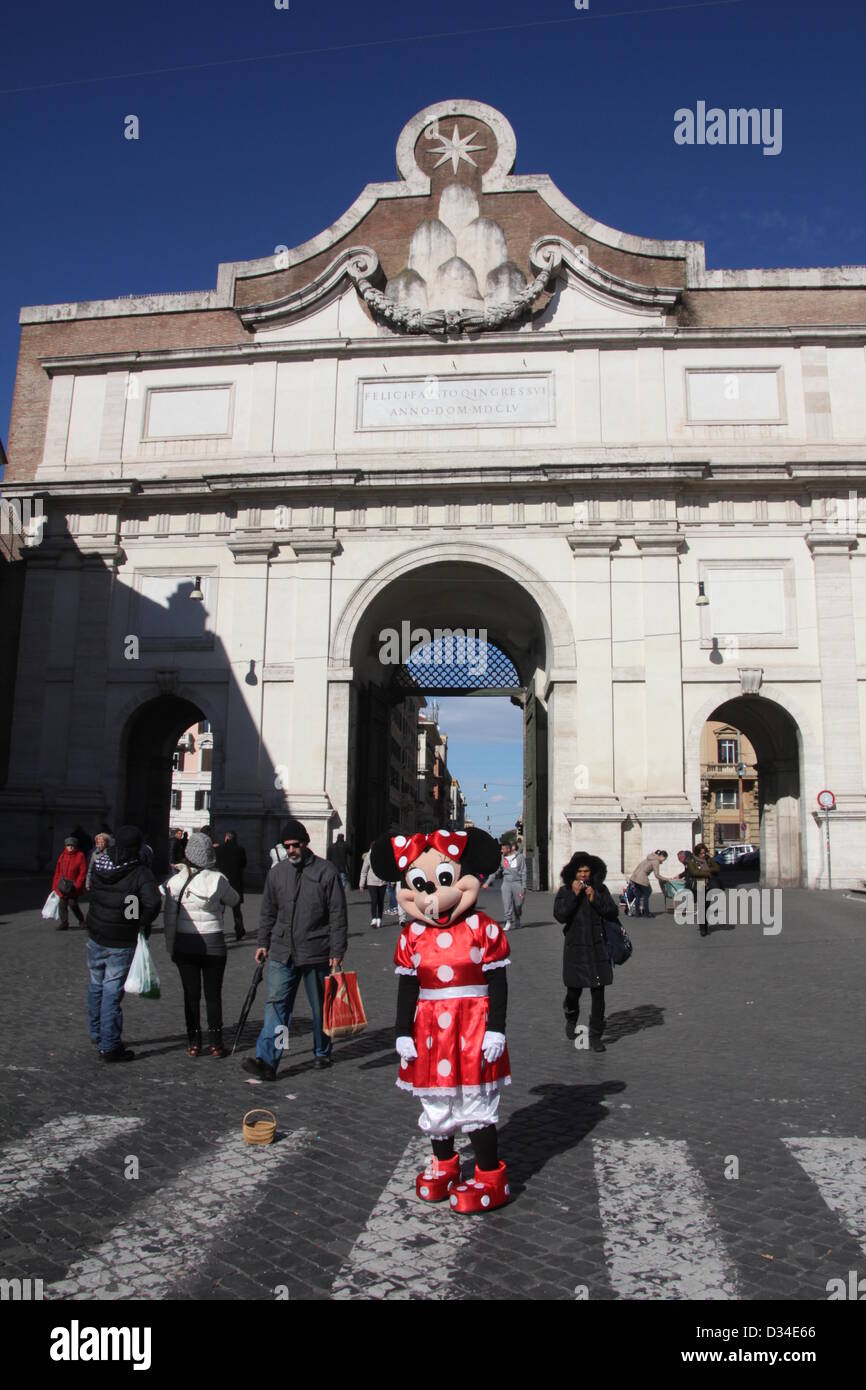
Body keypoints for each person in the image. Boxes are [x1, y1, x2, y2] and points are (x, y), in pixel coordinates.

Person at [370, 827, 511, 1213]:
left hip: (473, 1025)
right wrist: (402, 1032)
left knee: (474, 1098)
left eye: (444, 879)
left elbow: (498, 981)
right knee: (436, 1100)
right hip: (430, 1028)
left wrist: (496, 1028)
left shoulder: (484, 929)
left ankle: (488, 1176)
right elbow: (408, 986)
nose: (432, 894)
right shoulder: (411, 936)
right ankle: (445, 1164)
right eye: (419, 883)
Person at [242, 818, 347, 1080]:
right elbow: (267, 912)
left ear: (305, 843)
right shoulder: (277, 873)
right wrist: (262, 943)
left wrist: (337, 950)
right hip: (281, 950)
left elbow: (338, 914)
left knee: (320, 1007)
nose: (291, 850)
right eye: (286, 846)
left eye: (295, 845)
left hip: (317, 950)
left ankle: (322, 1052)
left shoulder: (327, 872)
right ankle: (269, 1060)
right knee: (278, 1008)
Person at [85, 825, 161, 1062]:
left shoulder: (101, 864)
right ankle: (109, 1046)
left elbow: (99, 893)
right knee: (111, 990)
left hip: (96, 933)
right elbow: (152, 903)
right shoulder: (139, 872)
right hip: (121, 940)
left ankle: (96, 1032)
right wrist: (136, 919)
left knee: (96, 983)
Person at [163, 831, 240, 1057]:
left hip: (185, 944)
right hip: (214, 942)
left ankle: (193, 1042)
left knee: (191, 995)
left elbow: (166, 910)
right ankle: (216, 1043)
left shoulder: (175, 881)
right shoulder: (218, 879)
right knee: (213, 994)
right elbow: (234, 900)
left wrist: (170, 944)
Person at [553, 851, 620, 1054]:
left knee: (598, 993)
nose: (583, 875)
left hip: (598, 947)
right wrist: (574, 896)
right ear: (573, 873)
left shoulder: (600, 889)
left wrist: (595, 898)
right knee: (574, 991)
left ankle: (595, 1035)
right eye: (580, 871)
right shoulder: (565, 891)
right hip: (575, 949)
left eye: (586, 871)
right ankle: (571, 1016)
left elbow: (612, 911)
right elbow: (560, 915)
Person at [483, 838, 527, 930]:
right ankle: (508, 922)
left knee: (518, 905)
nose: (501, 850)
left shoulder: (520, 857)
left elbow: (523, 871)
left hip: (517, 884)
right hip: (506, 884)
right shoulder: (501, 858)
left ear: (509, 849)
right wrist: (487, 882)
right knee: (507, 903)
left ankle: (518, 918)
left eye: (503, 849)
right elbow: (495, 871)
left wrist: (524, 886)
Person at [216, 830, 247, 941]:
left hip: (222, 882)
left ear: (227, 838)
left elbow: (216, 864)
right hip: (236, 883)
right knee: (236, 910)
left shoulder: (219, 849)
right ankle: (239, 930)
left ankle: (217, 930)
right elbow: (244, 864)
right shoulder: (240, 849)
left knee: (220, 909)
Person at [52, 834, 88, 931]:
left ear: (76, 846)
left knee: (73, 904)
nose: (70, 847)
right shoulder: (62, 856)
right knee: (62, 904)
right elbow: (57, 871)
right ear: (65, 846)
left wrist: (78, 884)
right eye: (68, 845)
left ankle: (81, 920)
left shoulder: (80, 856)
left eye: (72, 845)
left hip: (73, 886)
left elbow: (83, 871)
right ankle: (64, 923)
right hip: (63, 885)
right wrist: (55, 885)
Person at [686, 842, 721, 937]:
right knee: (702, 908)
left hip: (709, 885)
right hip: (699, 884)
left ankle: (705, 926)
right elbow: (694, 872)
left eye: (704, 852)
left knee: (706, 907)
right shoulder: (691, 860)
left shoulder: (708, 859)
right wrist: (707, 872)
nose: (703, 854)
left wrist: (707, 870)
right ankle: (703, 929)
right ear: (697, 853)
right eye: (701, 853)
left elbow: (717, 868)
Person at [627, 849, 669, 918]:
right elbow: (657, 875)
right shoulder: (656, 861)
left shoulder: (649, 858)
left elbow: (638, 867)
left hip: (634, 877)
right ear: (661, 856)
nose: (663, 861)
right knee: (647, 892)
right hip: (642, 878)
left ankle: (637, 913)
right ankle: (646, 913)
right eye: (664, 859)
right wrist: (666, 879)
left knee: (638, 895)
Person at [359, 843, 387, 928]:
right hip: (372, 881)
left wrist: (392, 880)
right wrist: (361, 884)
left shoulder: (384, 856)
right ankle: (374, 919)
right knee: (374, 900)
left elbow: (388, 868)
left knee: (380, 901)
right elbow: (364, 871)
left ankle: (379, 919)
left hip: (383, 881)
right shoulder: (368, 856)